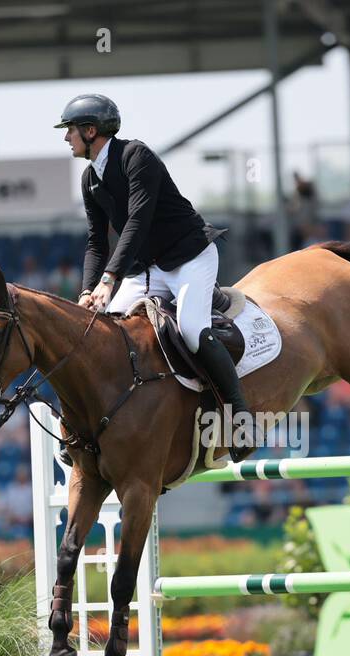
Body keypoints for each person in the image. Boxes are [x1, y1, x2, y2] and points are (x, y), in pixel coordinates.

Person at [56, 93, 252, 460]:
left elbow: (137, 222)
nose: (66, 138)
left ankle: (240, 415)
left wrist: (109, 279)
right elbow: (96, 241)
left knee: (192, 329)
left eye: (70, 131)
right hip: (146, 269)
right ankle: (84, 429)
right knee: (100, 335)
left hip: (189, 257)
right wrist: (87, 290)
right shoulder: (90, 180)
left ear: (90, 130)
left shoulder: (136, 157)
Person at [3, 466, 33, 531]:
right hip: (14, 519)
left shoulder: (31, 488)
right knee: (5, 521)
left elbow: (35, 506)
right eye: (20, 474)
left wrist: (27, 517)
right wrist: (15, 517)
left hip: (30, 519)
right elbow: (7, 506)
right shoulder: (11, 488)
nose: (21, 476)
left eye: (23, 474)